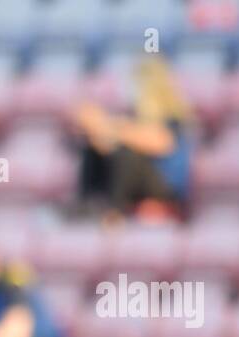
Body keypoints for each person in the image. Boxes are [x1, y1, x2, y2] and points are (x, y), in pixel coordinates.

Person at [72, 55, 194, 220]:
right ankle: (85, 206)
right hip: (141, 182)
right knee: (94, 149)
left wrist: (111, 128)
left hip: (165, 187)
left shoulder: (172, 117)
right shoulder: (136, 116)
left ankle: (115, 213)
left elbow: (159, 142)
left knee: (127, 154)